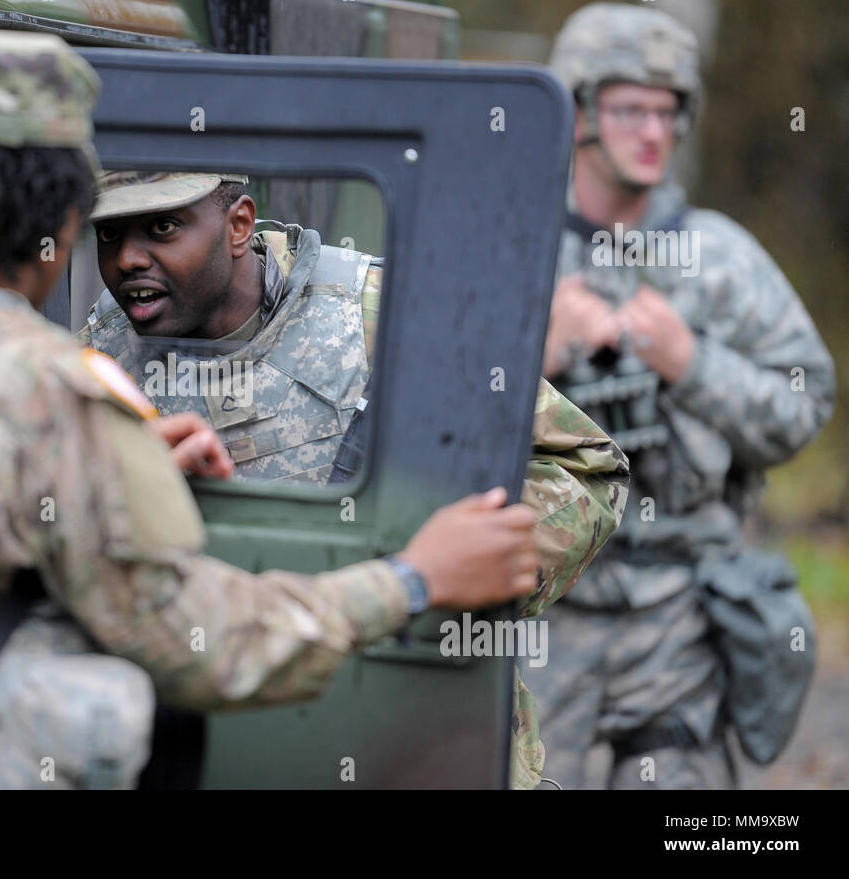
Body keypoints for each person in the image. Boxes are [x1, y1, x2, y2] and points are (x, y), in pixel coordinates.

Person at [0, 28, 551, 790]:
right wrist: (413, 580)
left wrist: (119, 463)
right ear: (57, 217)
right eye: (104, 225)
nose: (121, 258)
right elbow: (209, 647)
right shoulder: (44, 387)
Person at [80, 171, 632, 787]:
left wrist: (444, 576)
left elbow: (585, 467)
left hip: (406, 728)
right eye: (109, 234)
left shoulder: (384, 312)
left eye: (162, 227)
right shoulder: (102, 354)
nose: (128, 259)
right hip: (219, 736)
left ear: (238, 225)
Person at [529, 2, 835, 789]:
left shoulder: (721, 261)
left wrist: (693, 363)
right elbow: (426, 423)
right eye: (631, 109)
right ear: (577, 114)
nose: (655, 132)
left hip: (678, 616)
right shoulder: (512, 245)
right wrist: (542, 354)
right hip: (539, 609)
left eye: (669, 113)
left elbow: (806, 406)